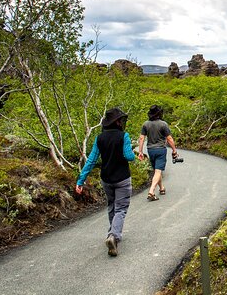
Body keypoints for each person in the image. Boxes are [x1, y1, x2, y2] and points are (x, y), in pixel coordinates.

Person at [75, 107, 135, 257]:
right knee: (121, 209)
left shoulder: (99, 138)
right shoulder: (124, 136)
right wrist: (131, 150)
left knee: (111, 206)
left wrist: (81, 180)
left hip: (106, 179)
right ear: (118, 122)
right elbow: (129, 157)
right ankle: (114, 236)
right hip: (122, 178)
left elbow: (91, 160)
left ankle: (111, 234)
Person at [138, 105, 178, 201]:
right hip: (160, 149)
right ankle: (151, 191)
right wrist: (174, 150)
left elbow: (141, 138)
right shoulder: (163, 124)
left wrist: (140, 151)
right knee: (158, 171)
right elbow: (169, 138)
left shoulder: (145, 124)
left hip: (150, 150)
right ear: (159, 114)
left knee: (157, 170)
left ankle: (162, 188)